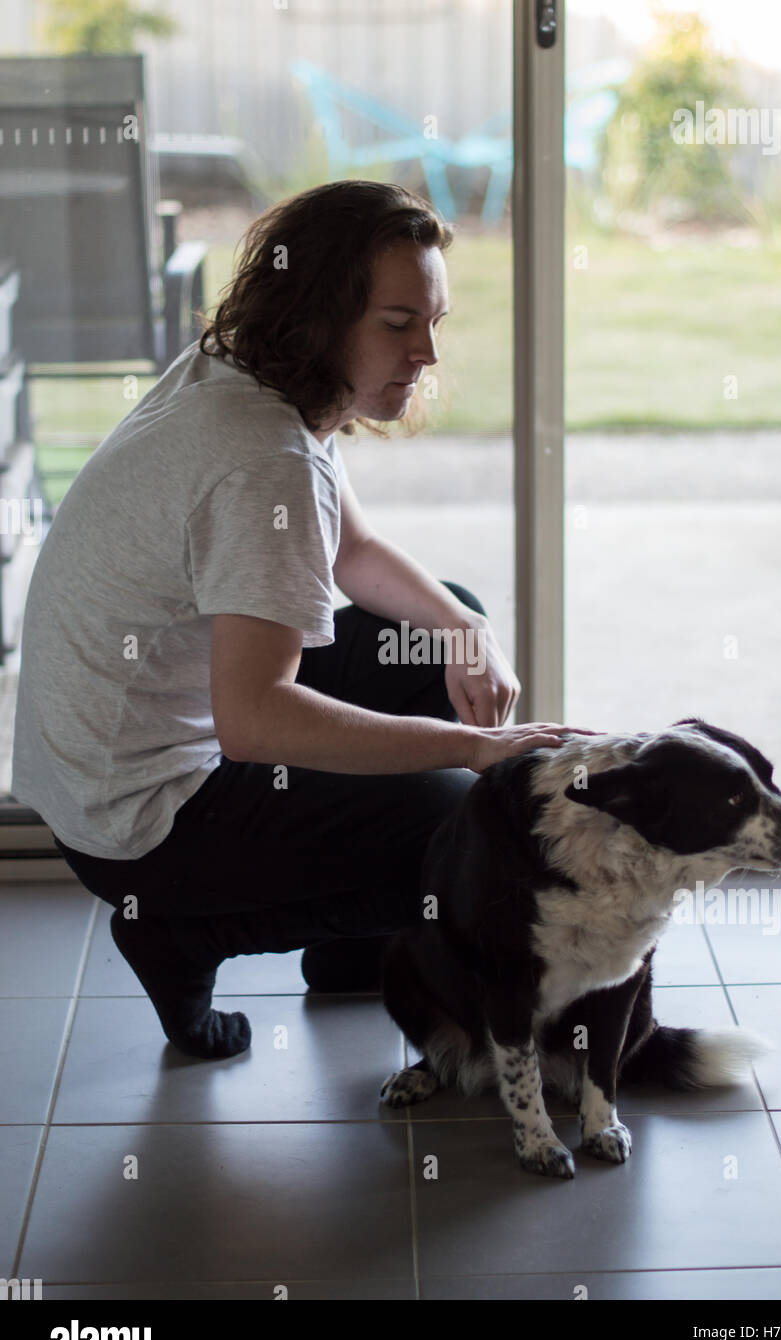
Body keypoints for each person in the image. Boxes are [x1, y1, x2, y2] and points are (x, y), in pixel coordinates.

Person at [11, 179, 579, 1061]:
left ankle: (348, 956)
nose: (425, 352)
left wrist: (474, 638)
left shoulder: (239, 369)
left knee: (442, 625)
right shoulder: (262, 460)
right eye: (397, 324)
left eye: (433, 321)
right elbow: (256, 721)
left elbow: (353, 551)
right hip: (140, 820)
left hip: (116, 748)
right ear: (320, 316)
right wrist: (469, 750)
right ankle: (178, 932)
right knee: (456, 824)